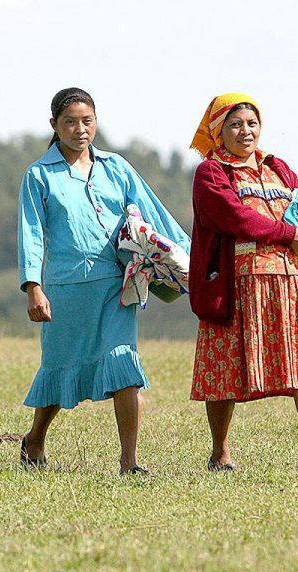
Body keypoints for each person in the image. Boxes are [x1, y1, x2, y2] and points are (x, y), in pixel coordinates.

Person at [18, 87, 190, 475]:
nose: (80, 129)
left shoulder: (117, 167)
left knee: (124, 363)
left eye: (87, 121)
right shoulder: (39, 175)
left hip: (117, 285)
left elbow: (154, 213)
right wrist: (33, 287)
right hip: (65, 289)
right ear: (54, 125)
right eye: (70, 122)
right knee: (60, 366)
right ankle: (36, 438)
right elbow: (31, 232)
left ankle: (129, 462)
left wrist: (189, 259)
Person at [188, 92, 298, 471]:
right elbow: (233, 216)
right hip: (236, 283)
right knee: (226, 366)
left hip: (288, 278)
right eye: (235, 125)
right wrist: (286, 233)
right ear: (218, 131)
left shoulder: (276, 167)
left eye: (252, 124)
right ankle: (220, 453)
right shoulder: (211, 173)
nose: (245, 131)